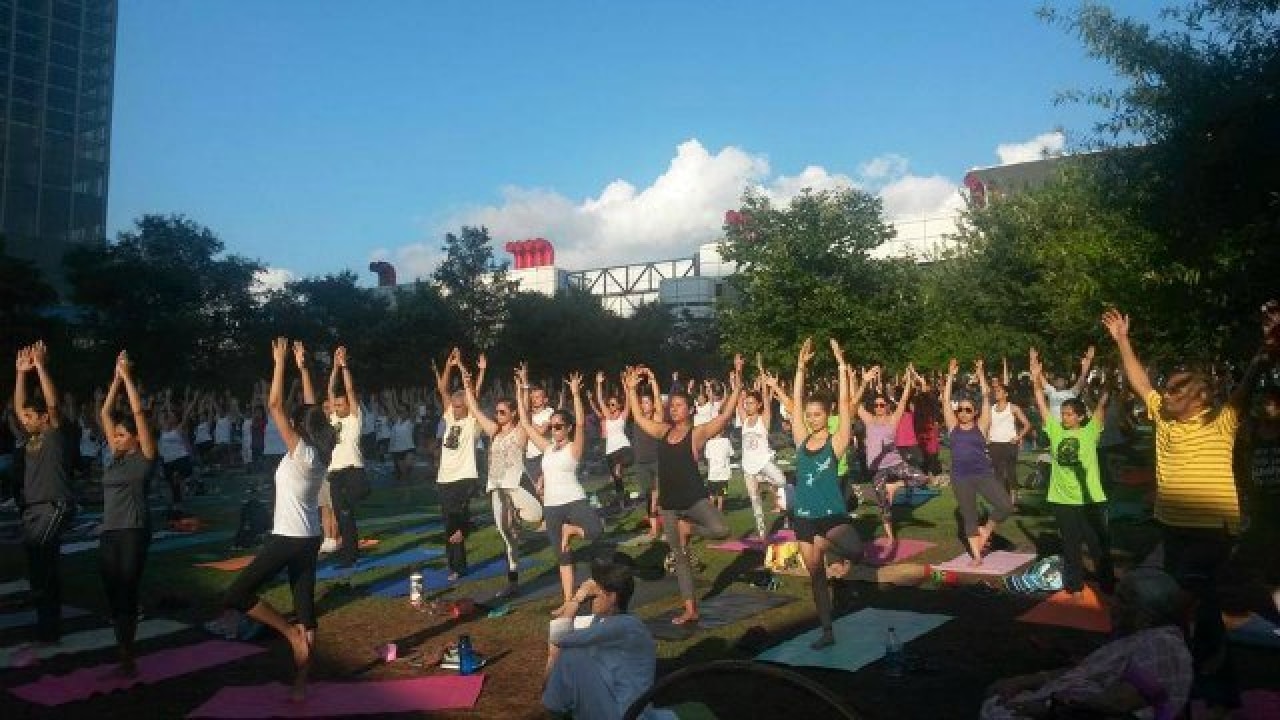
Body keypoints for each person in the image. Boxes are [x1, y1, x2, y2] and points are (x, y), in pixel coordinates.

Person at [1102, 305, 1272, 713]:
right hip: (1173, 528)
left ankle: (1201, 685)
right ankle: (1199, 681)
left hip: (1210, 532)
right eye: (1171, 387)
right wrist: (1123, 340)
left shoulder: (1223, 420)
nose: (1170, 392)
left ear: (1201, 397)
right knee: (1199, 608)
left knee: (1185, 604)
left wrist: (1264, 350)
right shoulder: (1163, 417)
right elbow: (1141, 381)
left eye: (1180, 388)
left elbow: (1249, 380)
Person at [221, 338, 333, 702]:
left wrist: (280, 362)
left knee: (236, 593)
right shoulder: (318, 450)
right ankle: (300, 685)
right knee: (306, 607)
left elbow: (272, 404)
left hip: (289, 538)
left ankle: (289, 635)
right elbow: (313, 406)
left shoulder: (301, 451)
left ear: (300, 426)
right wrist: (302, 366)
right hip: (309, 538)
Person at [981, 567, 1192, 720]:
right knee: (999, 697)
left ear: (1145, 614)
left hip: (1078, 711)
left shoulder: (1160, 644)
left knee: (1001, 710)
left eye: (1122, 600)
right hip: (1070, 702)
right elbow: (1090, 670)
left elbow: (1120, 702)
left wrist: (1049, 707)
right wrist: (1027, 680)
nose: (1112, 605)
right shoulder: (1138, 637)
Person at [624, 361, 739, 626]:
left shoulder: (697, 434)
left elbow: (724, 416)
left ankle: (690, 528)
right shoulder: (662, 431)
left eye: (677, 406)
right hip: (669, 504)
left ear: (689, 409)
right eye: (670, 406)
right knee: (680, 556)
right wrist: (631, 390)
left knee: (721, 530)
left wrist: (737, 383)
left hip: (694, 499)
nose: (672, 409)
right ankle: (690, 609)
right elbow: (640, 418)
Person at [771, 338, 866, 649]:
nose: (811, 418)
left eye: (817, 414)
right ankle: (827, 630)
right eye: (809, 415)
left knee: (856, 552)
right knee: (815, 575)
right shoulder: (801, 441)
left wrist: (841, 365)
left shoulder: (836, 442)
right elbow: (794, 403)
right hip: (804, 519)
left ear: (828, 416)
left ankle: (834, 556)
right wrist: (800, 367)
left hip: (831, 516)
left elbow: (844, 401)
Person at [542, 553, 673, 720]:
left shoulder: (625, 626)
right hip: (617, 704)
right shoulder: (610, 623)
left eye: (594, 596)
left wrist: (576, 599)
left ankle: (553, 703)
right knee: (571, 652)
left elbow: (559, 639)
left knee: (571, 655)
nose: (590, 602)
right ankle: (553, 702)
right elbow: (561, 637)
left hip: (626, 713)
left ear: (612, 597)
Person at [518, 367, 604, 616]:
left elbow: (579, 421)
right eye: (552, 426)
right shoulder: (546, 449)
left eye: (558, 426)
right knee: (563, 557)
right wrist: (523, 387)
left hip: (574, 500)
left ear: (566, 428)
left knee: (595, 531)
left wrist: (576, 395)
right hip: (552, 506)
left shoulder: (574, 449)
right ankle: (568, 601)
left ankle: (571, 530)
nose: (554, 430)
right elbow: (525, 422)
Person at [1030, 347, 1116, 597]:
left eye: (1069, 414)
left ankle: (1108, 587)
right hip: (1063, 499)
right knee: (1070, 546)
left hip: (1090, 499)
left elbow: (1103, 402)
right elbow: (1040, 400)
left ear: (1080, 416)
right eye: (1063, 413)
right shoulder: (1055, 431)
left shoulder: (1090, 431)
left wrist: (1109, 375)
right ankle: (1075, 586)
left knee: (1098, 546)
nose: (1064, 417)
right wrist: (1035, 372)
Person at [96, 350, 157, 677]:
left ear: (135, 437)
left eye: (121, 435)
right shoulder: (117, 456)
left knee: (127, 590)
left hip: (134, 529)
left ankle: (126, 653)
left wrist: (129, 379)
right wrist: (116, 377)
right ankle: (124, 644)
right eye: (115, 435)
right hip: (109, 531)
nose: (115, 439)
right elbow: (106, 412)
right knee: (112, 590)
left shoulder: (144, 456)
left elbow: (136, 411)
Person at [462, 359, 541, 599]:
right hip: (497, 488)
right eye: (496, 412)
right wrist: (467, 384)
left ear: (513, 413)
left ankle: (520, 517)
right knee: (507, 537)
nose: (498, 415)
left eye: (502, 412)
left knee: (536, 517)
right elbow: (474, 409)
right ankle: (513, 582)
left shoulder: (520, 431)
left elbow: (525, 410)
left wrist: (524, 385)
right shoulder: (494, 431)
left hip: (516, 485)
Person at [13, 341, 75, 646]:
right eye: (23, 417)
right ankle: (47, 625)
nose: (24, 420)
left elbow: (51, 404)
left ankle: (50, 628)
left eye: (29, 416)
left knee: (43, 562)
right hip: (33, 510)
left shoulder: (52, 435)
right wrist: (20, 374)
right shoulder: (29, 440)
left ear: (42, 419)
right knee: (39, 567)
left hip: (55, 506)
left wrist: (40, 366)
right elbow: (18, 405)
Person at [942, 357, 1015, 566]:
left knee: (1005, 506)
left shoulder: (982, 426)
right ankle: (977, 555)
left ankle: (987, 529)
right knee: (969, 516)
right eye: (960, 410)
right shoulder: (952, 426)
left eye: (967, 410)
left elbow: (985, 397)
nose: (962, 413)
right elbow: (945, 400)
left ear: (974, 412)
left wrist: (981, 373)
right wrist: (950, 376)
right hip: (960, 478)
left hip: (983, 474)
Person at [857, 365, 929, 547]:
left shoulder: (892, 420)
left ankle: (895, 486)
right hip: (877, 468)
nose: (879, 407)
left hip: (895, 463)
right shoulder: (869, 420)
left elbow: (904, 399)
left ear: (887, 406)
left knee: (922, 478)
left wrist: (909, 383)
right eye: (876, 405)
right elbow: (853, 403)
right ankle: (890, 537)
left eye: (882, 405)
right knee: (882, 502)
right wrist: (862, 382)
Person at [431, 348, 483, 582]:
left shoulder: (472, 420)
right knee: (448, 525)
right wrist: (448, 365)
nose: (455, 406)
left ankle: (465, 531)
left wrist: (462, 366)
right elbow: (442, 388)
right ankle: (455, 567)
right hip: (445, 478)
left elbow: (472, 389)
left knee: (458, 519)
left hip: (465, 476)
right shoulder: (449, 416)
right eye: (453, 403)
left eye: (459, 403)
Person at [326, 346, 366, 568]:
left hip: (353, 470)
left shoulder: (354, 418)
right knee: (343, 516)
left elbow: (349, 389)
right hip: (335, 472)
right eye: (336, 405)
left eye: (341, 405)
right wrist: (333, 366)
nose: (337, 407)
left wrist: (344, 367)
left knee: (346, 510)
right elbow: (330, 390)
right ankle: (349, 555)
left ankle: (350, 553)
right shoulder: (333, 419)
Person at [738, 374, 788, 541]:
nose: (748, 405)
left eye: (751, 403)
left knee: (781, 481)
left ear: (758, 405)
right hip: (748, 465)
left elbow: (767, 401)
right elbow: (738, 399)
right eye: (747, 403)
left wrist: (767, 386)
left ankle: (766, 483)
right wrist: (739, 373)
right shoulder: (744, 421)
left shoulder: (763, 419)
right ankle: (762, 533)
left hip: (764, 462)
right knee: (754, 500)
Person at [591, 372, 632, 511]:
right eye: (610, 404)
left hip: (624, 448)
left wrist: (626, 386)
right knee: (616, 478)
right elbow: (600, 400)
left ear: (619, 405)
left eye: (613, 404)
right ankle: (622, 502)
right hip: (610, 450)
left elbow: (629, 400)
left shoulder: (623, 416)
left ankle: (620, 468)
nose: (611, 406)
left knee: (619, 469)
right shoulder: (607, 416)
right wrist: (598, 383)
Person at [988, 375, 1032, 506]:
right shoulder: (991, 408)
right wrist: (986, 438)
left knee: (1011, 472)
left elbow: (1027, 424)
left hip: (1009, 444)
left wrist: (1018, 437)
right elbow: (987, 425)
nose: (996, 393)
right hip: (994, 443)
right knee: (997, 472)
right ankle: (1000, 499)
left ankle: (1014, 500)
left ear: (1006, 394)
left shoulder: (1013, 407)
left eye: (999, 391)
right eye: (995, 391)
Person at [703, 426, 733, 513]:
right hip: (724, 473)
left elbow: (708, 459)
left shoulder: (709, 443)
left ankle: (712, 511)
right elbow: (730, 454)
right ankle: (719, 510)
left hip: (713, 474)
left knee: (712, 494)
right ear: (722, 431)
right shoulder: (726, 441)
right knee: (722, 493)